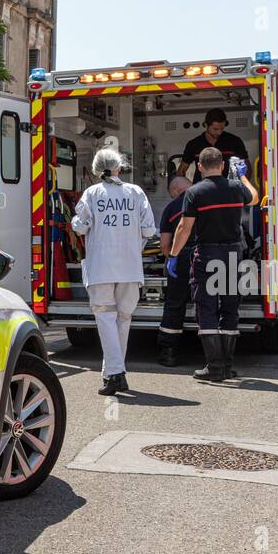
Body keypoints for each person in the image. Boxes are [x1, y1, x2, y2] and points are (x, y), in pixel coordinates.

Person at [70, 146, 157, 395]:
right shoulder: (135, 192)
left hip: (101, 268)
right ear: (119, 167)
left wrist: (79, 222)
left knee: (105, 319)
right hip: (130, 267)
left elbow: (80, 226)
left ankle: (116, 373)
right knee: (123, 319)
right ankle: (113, 375)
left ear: (98, 169)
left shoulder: (92, 193)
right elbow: (149, 229)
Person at [168, 146, 259, 381]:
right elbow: (255, 197)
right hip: (232, 254)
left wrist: (174, 254)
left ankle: (215, 366)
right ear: (222, 165)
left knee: (206, 308)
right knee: (230, 308)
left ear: (199, 167)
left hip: (207, 255)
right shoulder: (236, 187)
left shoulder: (195, 192)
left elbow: (184, 227)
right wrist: (242, 175)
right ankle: (227, 366)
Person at [157, 175, 193, 366]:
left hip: (181, 257)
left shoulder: (171, 208)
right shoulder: (207, 197)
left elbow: (164, 243)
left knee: (174, 304)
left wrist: (170, 258)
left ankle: (168, 352)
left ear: (176, 190)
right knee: (210, 304)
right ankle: (215, 357)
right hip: (211, 255)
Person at [180, 109, 250, 182]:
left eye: (222, 128)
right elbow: (181, 170)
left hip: (228, 190)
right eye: (215, 129)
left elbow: (246, 167)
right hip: (201, 191)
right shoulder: (194, 144)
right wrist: (186, 189)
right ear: (206, 125)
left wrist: (242, 188)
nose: (219, 132)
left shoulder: (234, 141)